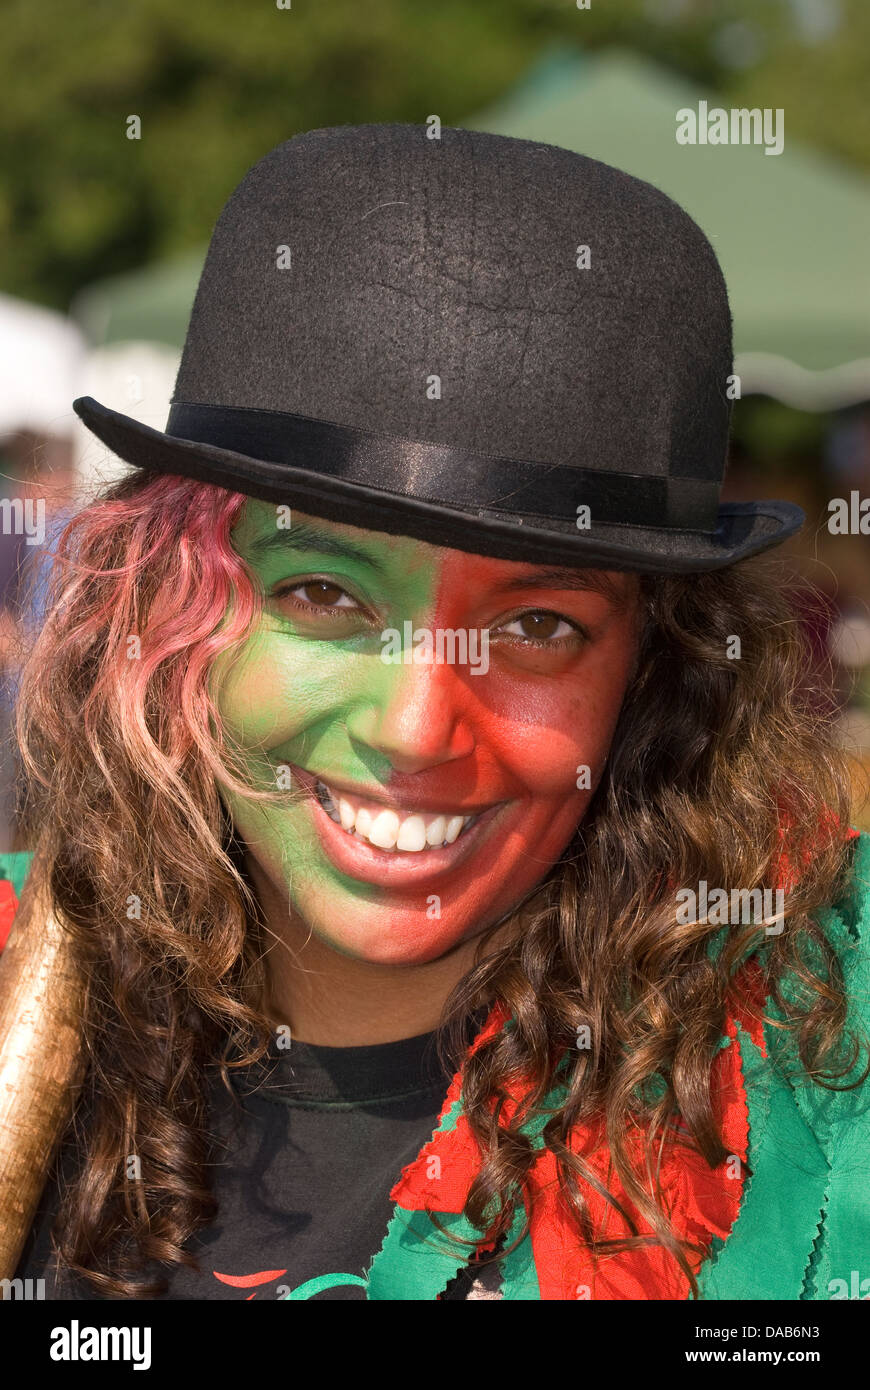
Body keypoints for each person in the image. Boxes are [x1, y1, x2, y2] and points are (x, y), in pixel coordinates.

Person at [5, 124, 870, 1301]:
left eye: (536, 627)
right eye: (324, 593)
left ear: (657, 673)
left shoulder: (825, 1079)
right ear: (173, 611)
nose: (415, 728)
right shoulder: (22, 979)